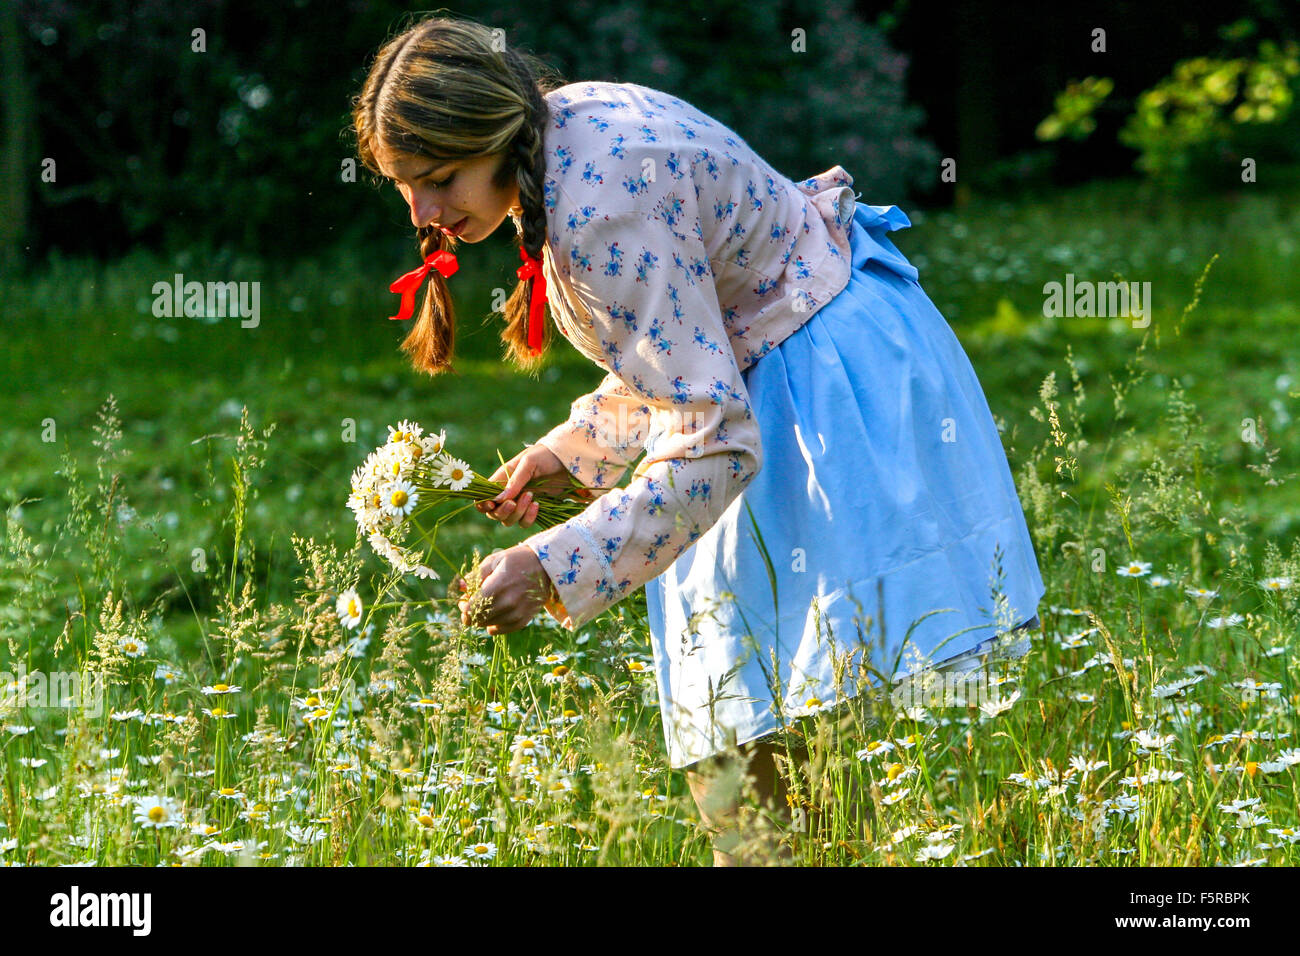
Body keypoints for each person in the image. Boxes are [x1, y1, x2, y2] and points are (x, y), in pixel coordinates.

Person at [351, 14, 1046, 866]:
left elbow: (714, 439)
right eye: (403, 185)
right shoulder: (562, 124)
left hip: (822, 398)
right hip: (780, 369)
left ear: (493, 133)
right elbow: (681, 333)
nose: (423, 213)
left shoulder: (595, 210)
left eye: (440, 179)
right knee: (741, 754)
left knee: (784, 753)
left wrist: (553, 564)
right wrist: (574, 453)